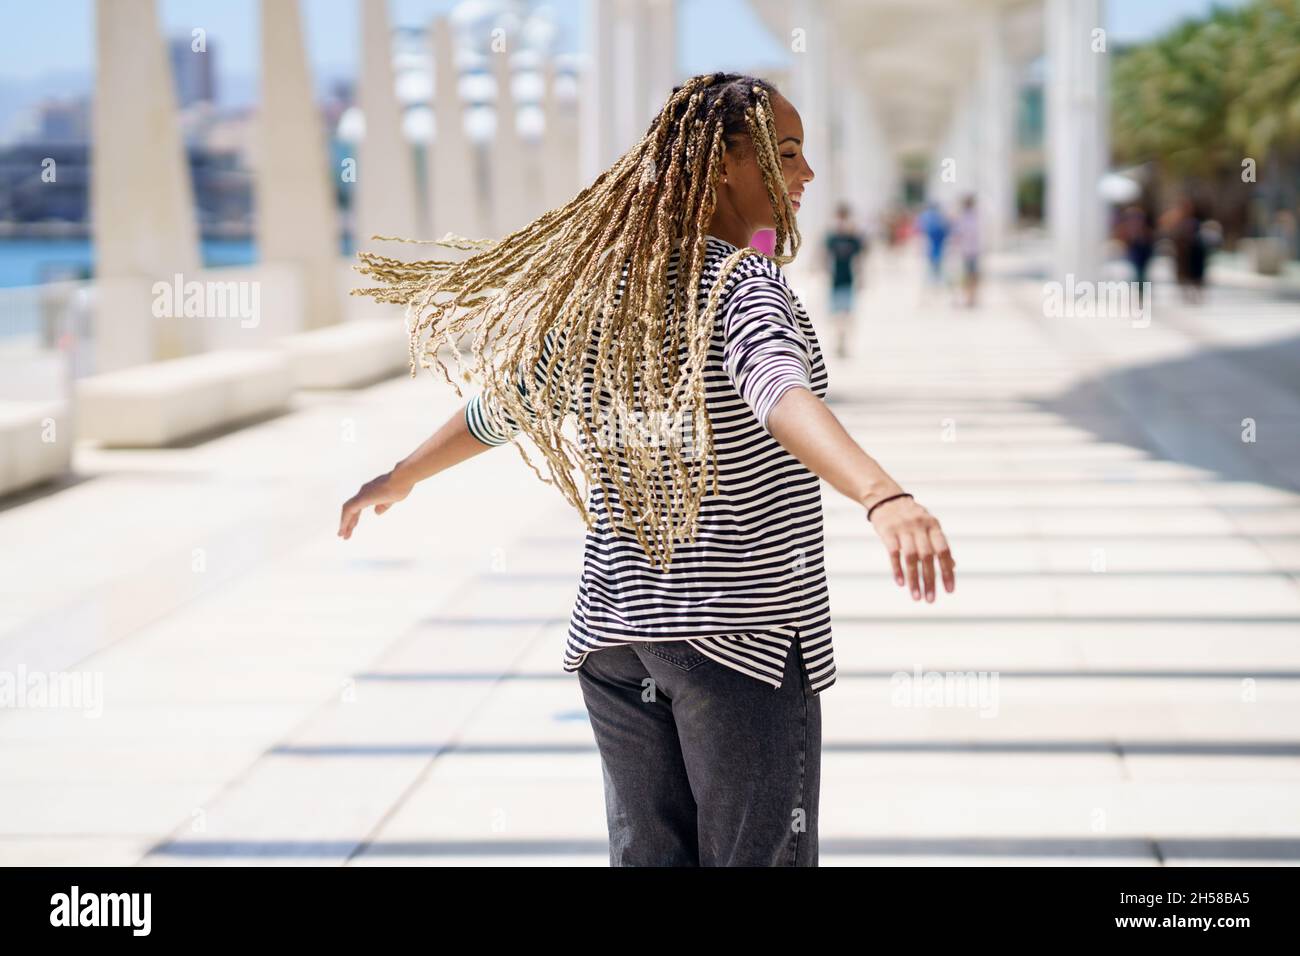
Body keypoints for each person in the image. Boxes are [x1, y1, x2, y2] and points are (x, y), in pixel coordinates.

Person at [339, 73, 956, 867]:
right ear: (723, 164)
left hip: (616, 639)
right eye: (787, 153)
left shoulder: (608, 298)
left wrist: (402, 474)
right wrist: (884, 494)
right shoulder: (742, 287)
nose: (806, 176)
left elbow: (506, 406)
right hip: (738, 641)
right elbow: (777, 390)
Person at [823, 202, 867, 357]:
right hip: (835, 281)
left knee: (847, 315)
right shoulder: (832, 237)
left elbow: (859, 259)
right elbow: (824, 255)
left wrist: (862, 278)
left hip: (848, 280)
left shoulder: (853, 238)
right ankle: (838, 341)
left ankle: (844, 342)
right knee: (835, 316)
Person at [1116, 204, 1154, 309]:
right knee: (1137, 273)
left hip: (1143, 251)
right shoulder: (1129, 227)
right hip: (1136, 251)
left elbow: (1148, 238)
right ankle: (1139, 294)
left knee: (1141, 273)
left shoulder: (1143, 228)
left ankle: (1141, 294)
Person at [950, 194, 980, 307]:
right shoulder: (976, 217)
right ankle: (971, 297)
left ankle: (969, 297)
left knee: (966, 275)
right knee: (972, 275)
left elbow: (956, 235)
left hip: (965, 251)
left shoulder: (961, 218)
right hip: (973, 250)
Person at [916, 201, 949, 285]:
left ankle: (933, 280)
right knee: (937, 262)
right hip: (936, 242)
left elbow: (920, 228)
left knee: (931, 263)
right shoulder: (938, 216)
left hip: (932, 242)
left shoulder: (926, 216)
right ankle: (936, 279)